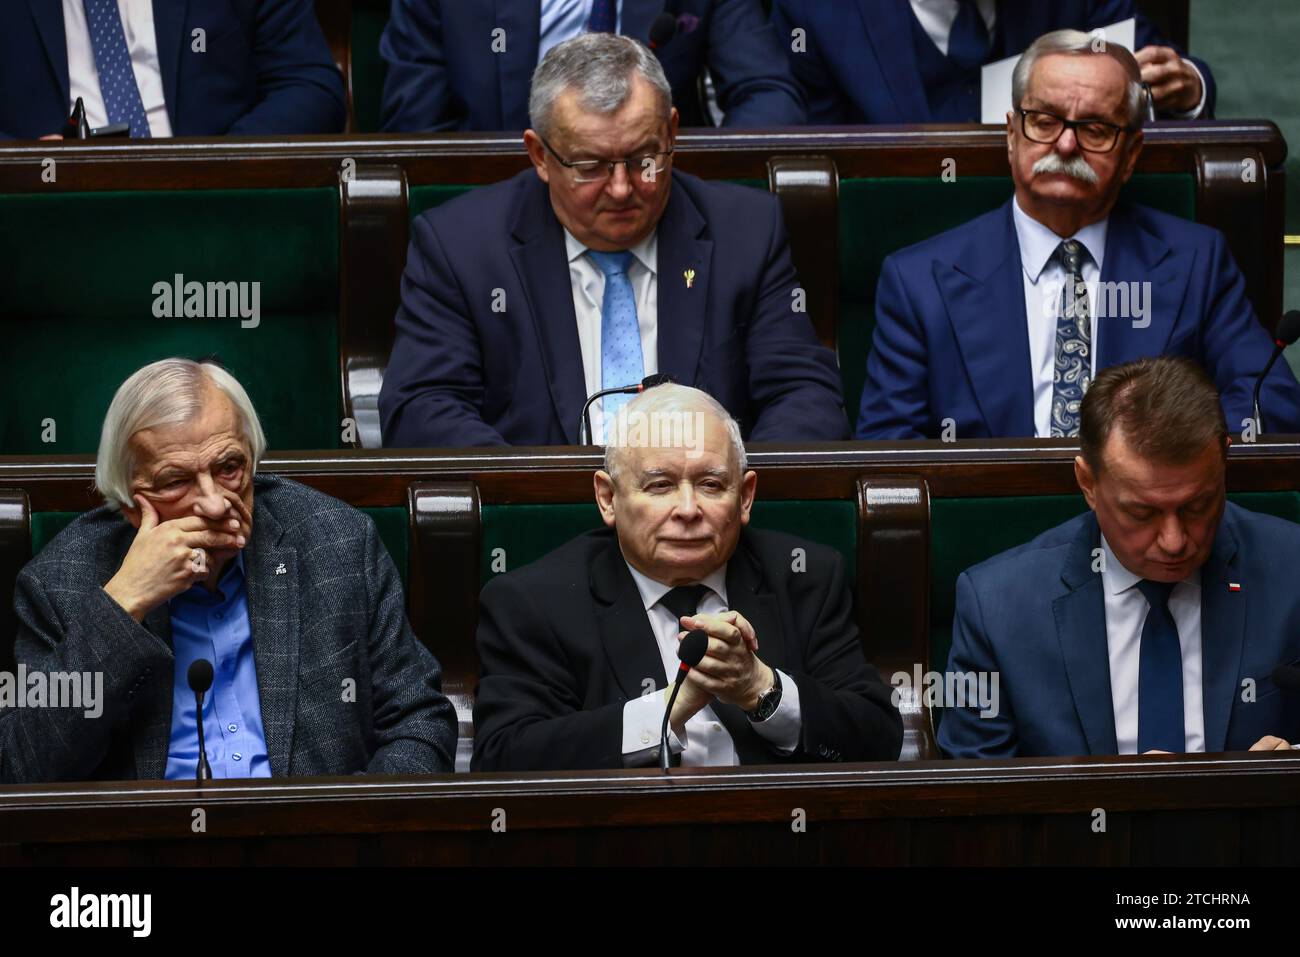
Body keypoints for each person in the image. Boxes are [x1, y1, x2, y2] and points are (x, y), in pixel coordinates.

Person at [379, 33, 847, 448]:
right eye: (591, 166)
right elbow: (422, 408)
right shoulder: (460, 247)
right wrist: (538, 497)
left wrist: (717, 491)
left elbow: (806, 398)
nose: (623, 188)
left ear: (672, 133)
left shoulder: (745, 231)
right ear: (539, 155)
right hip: (543, 532)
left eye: (644, 158)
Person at [0, 358, 456, 782]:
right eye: (175, 481)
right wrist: (123, 606)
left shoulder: (336, 543)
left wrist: (351, 828)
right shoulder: (60, 582)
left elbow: (418, 719)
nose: (216, 504)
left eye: (229, 468)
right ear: (127, 505)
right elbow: (23, 770)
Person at [856, 30, 1300, 439]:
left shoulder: (1196, 261)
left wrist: (1171, 455)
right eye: (1045, 121)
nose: (1066, 145)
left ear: (1131, 154)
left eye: (1095, 129)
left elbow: (1270, 401)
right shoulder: (917, 280)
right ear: (1012, 135)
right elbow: (887, 444)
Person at [471, 383, 901, 771]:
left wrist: (762, 690)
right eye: (660, 485)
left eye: (712, 484)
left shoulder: (805, 576)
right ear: (608, 498)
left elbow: (878, 739)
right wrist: (668, 709)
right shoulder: (534, 600)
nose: (689, 509)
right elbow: (505, 758)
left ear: (745, 497)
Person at [938, 357, 1300, 758]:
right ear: (1087, 483)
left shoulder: (1291, 568)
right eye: (1142, 513)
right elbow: (979, 800)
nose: (1174, 541)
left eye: (1198, 506)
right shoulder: (996, 608)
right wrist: (1122, 798)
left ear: (1224, 461)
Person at [379, 0, 805, 131]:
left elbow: (770, 97)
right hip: (501, 215)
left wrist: (687, 189)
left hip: (657, 207)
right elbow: (415, 124)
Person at [770, 0, 1214, 124]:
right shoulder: (817, 13)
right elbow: (816, 158)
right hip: (899, 247)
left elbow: (1157, 68)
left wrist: (1188, 89)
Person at [0, 0, 345, 139]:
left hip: (215, 214)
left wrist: (217, 166)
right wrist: (21, 166)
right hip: (47, 219)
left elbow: (310, 87)